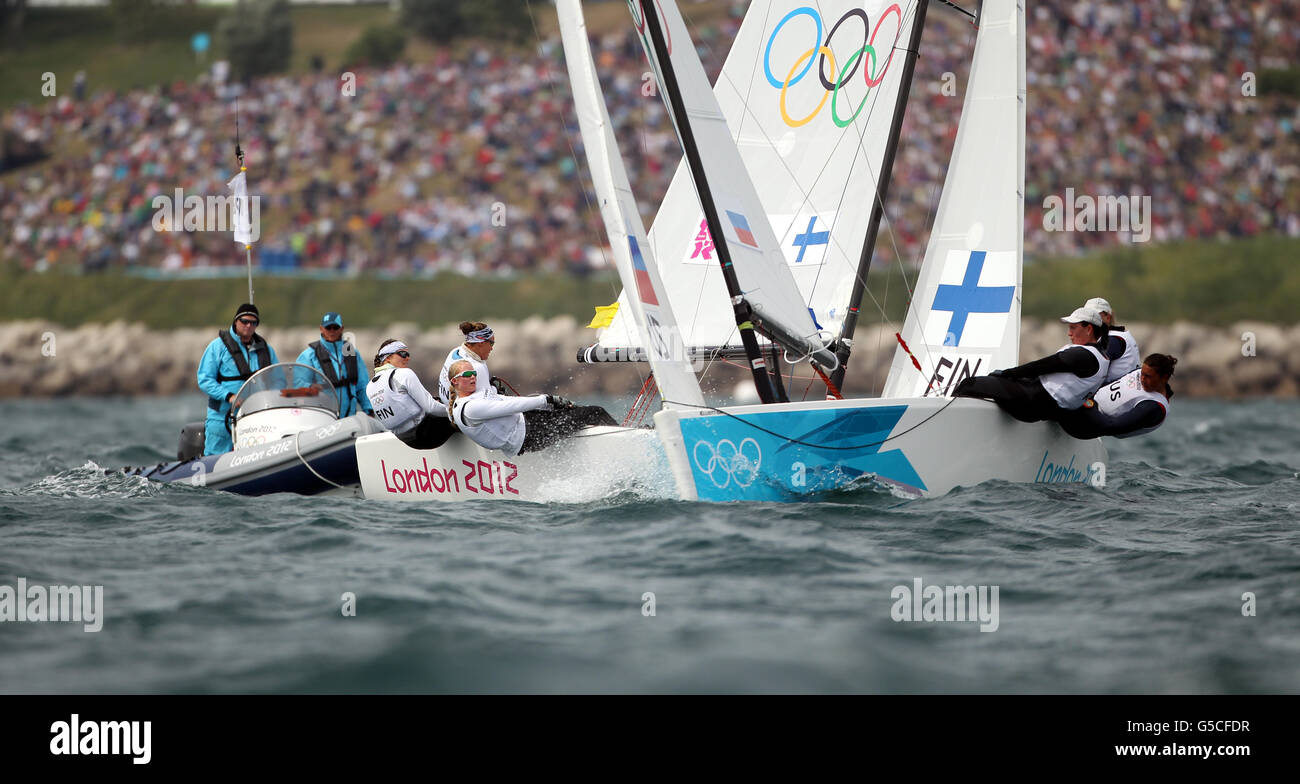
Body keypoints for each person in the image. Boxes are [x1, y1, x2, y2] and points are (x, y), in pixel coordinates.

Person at [953, 307, 1111, 422]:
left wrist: (1007, 373)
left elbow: (1039, 367)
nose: (1069, 333)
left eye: (1073, 328)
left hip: (1031, 403)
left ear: (1089, 329)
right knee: (999, 387)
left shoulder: (1081, 355)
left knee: (968, 384)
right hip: (1049, 409)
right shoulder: (1102, 356)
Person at [446, 360, 617, 456]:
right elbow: (508, 407)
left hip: (527, 420)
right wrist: (545, 400)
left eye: (474, 373)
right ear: (455, 381)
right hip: (529, 437)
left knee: (574, 410)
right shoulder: (470, 409)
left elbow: (503, 400)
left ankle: (618, 432)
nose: (473, 377)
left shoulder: (475, 395)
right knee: (595, 411)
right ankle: (626, 439)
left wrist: (544, 402)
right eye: (467, 375)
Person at [196, 303, 279, 455]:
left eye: (253, 323)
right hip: (222, 418)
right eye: (244, 321)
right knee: (215, 459)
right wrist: (229, 396)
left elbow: (278, 380)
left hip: (255, 420)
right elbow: (204, 379)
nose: (248, 325)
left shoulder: (267, 350)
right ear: (236, 321)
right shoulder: (217, 347)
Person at [1058, 354, 1176, 439]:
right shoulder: (1141, 373)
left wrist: (1087, 404)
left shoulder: (1154, 406)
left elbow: (1112, 426)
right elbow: (1109, 383)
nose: (1142, 379)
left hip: (1086, 426)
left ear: (1164, 378)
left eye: (1148, 376)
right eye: (1142, 374)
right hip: (1087, 402)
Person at [366, 339, 456, 449]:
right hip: (429, 435)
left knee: (438, 402)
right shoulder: (404, 374)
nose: (407, 358)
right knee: (462, 408)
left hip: (408, 441)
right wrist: (456, 412)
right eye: (403, 354)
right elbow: (431, 408)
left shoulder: (370, 385)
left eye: (408, 354)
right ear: (388, 358)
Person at [295, 312, 371, 418]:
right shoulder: (309, 355)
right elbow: (297, 382)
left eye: (335, 327)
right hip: (322, 416)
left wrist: (369, 409)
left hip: (349, 416)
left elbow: (363, 385)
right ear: (321, 329)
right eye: (328, 327)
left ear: (341, 329)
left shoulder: (352, 352)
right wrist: (310, 387)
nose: (332, 331)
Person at [438, 321, 499, 404]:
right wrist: (494, 389)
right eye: (491, 343)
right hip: (460, 414)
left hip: (448, 406)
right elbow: (490, 402)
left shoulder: (455, 351)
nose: (492, 348)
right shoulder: (476, 367)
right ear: (481, 343)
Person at [1084, 297, 1141, 382]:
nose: (1090, 319)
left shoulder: (1112, 340)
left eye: (1094, 315)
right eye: (1086, 316)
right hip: (1127, 388)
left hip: (1120, 391)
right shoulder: (1120, 335)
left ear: (1108, 317)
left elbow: (1092, 374)